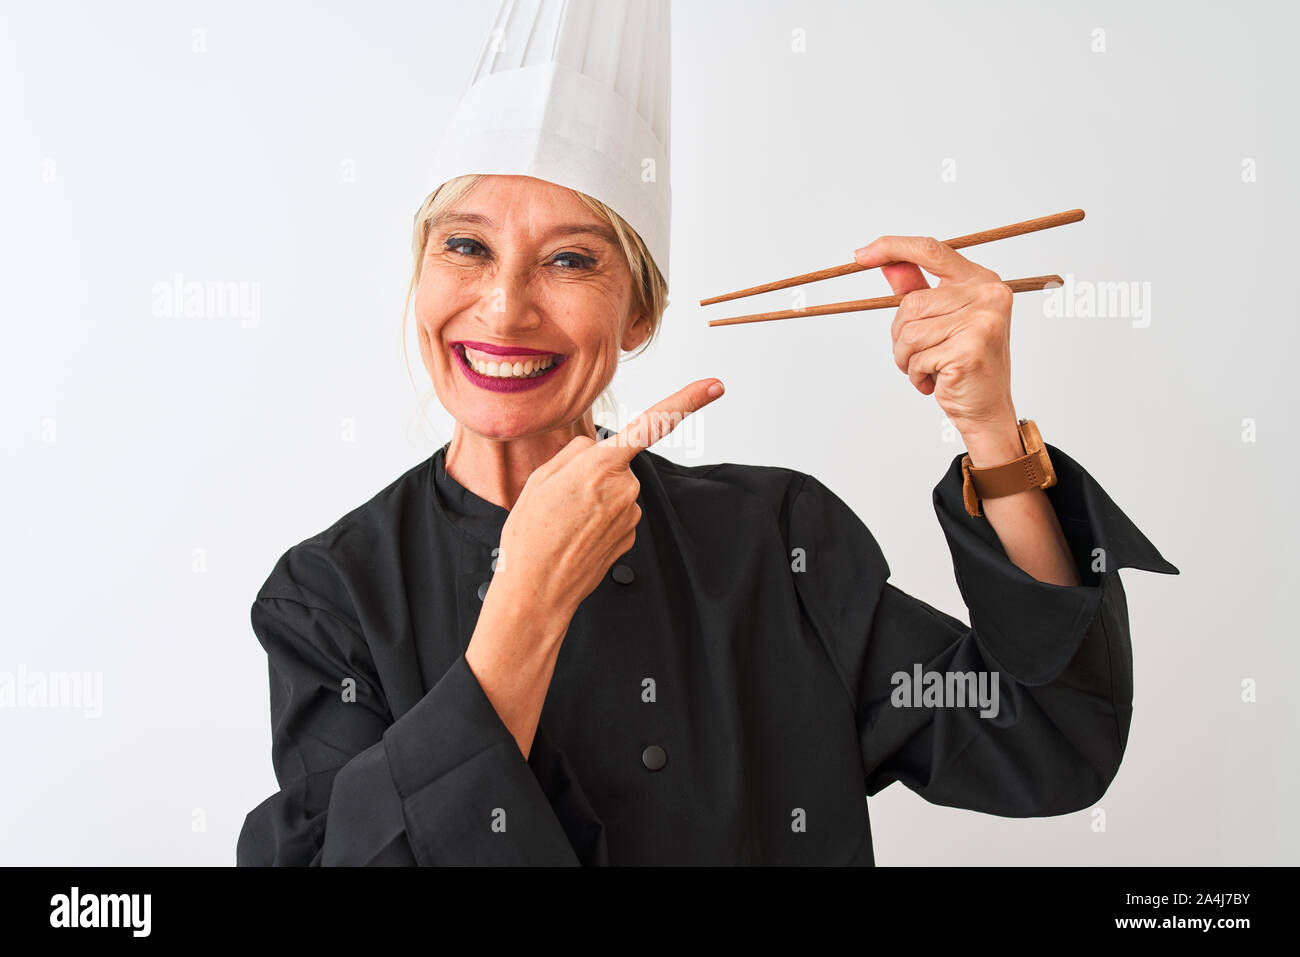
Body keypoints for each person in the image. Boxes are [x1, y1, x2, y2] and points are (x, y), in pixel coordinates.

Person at [236, 1, 1179, 866]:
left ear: (638, 314)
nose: (504, 306)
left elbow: (1051, 734)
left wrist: (992, 436)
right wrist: (524, 602)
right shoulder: (332, 599)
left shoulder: (771, 542)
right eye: (467, 245)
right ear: (423, 271)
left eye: (570, 259)